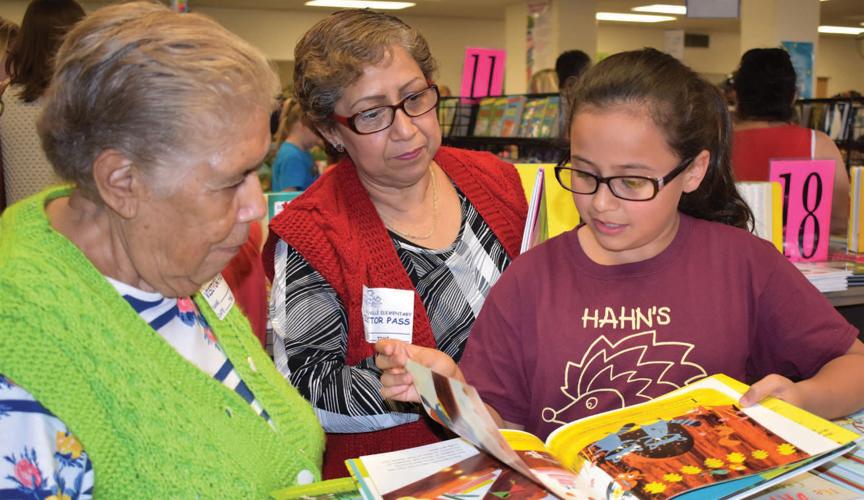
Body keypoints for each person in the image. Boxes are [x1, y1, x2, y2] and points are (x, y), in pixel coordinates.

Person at [377, 48, 864, 442]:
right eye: (584, 174)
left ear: (693, 171)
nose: (602, 203)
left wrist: (800, 400)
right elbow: (502, 430)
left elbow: (854, 364)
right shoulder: (530, 280)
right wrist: (452, 395)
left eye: (632, 182)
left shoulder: (743, 263)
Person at [0, 3, 323, 497]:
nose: (256, 205)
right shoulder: (22, 346)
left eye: (255, 170)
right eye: (231, 180)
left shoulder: (172, 257)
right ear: (121, 182)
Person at [262, 9, 528, 478]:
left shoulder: (497, 181)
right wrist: (434, 390)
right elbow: (302, 388)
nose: (406, 130)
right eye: (372, 114)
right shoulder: (314, 234)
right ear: (331, 131)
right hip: (415, 479)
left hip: (525, 455)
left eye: (415, 98)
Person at [732, 47, 849, 235]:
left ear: (737, 95)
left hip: (731, 250)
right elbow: (840, 222)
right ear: (793, 96)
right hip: (797, 253)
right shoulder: (819, 145)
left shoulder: (715, 142)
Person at [0, 0, 84, 206]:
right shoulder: (86, 101)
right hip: (74, 220)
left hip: (18, 221)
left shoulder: (6, 100)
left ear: (25, 42)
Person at [271, 97, 322, 191]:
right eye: (317, 129)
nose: (321, 135)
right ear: (303, 124)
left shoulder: (300, 152)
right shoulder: (292, 157)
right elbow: (289, 196)